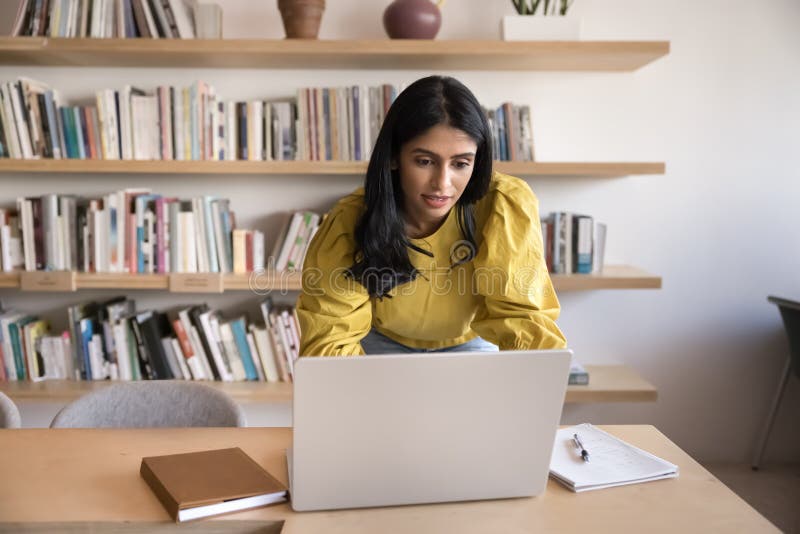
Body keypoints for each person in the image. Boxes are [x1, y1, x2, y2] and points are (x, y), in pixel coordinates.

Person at [296, 75, 566, 356]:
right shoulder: (349, 220)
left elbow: (522, 319)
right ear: (393, 157)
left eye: (461, 163)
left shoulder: (504, 204)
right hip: (378, 343)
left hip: (469, 341)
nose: (442, 183)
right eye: (424, 161)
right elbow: (331, 338)